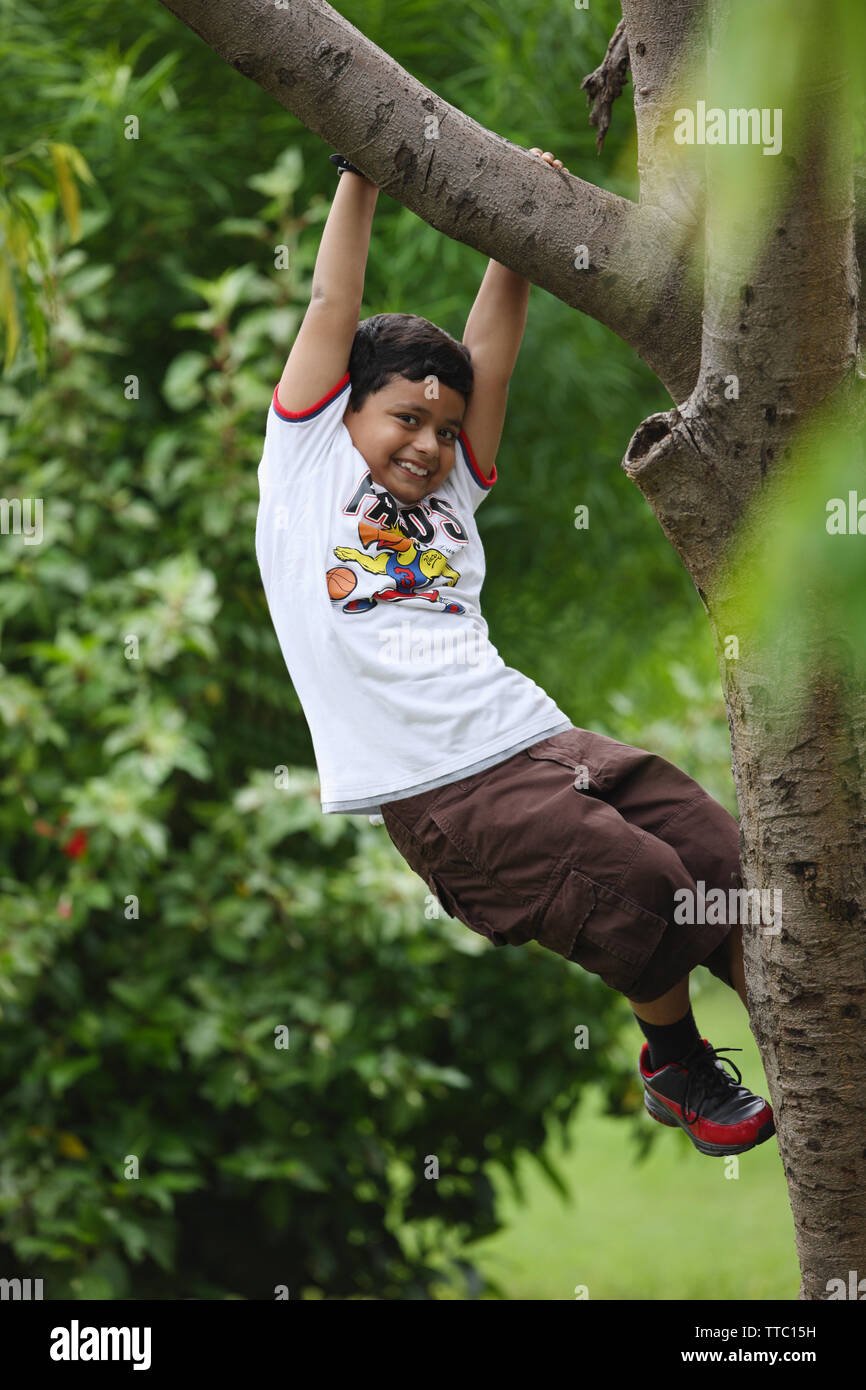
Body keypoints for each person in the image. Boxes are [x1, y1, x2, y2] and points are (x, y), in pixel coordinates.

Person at [254, 145, 775, 1159]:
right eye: (405, 418)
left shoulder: (449, 490)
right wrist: (357, 174)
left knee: (724, 869)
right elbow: (331, 299)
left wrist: (515, 232)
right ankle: (673, 1058)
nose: (427, 444)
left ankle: (825, 1057)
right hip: (444, 793)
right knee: (649, 891)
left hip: (537, 738)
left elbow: (489, 355)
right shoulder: (303, 467)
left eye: (444, 429)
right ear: (343, 410)